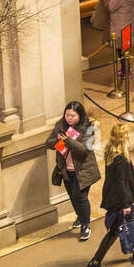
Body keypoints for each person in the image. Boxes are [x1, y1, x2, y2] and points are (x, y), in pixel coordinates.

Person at [85, 123, 134, 267]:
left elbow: (117, 175)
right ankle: (95, 261)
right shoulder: (121, 157)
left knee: (131, 223)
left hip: (112, 196)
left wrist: (130, 166)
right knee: (115, 232)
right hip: (119, 200)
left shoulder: (111, 150)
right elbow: (120, 182)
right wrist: (126, 204)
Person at [47, 101, 101, 241]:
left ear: (80, 115)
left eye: (73, 116)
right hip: (65, 169)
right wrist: (57, 141)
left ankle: (85, 225)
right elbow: (48, 142)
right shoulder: (60, 125)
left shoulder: (90, 128)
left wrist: (68, 140)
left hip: (83, 170)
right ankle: (81, 217)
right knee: (72, 196)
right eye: (67, 115)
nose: (69, 118)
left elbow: (84, 149)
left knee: (80, 197)